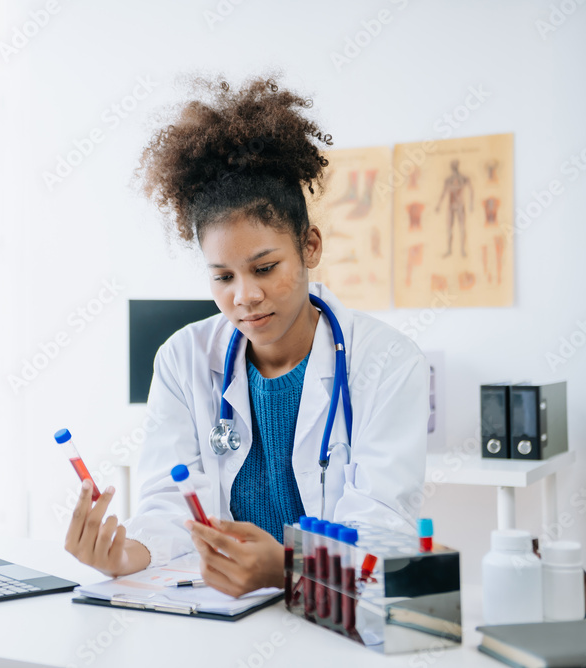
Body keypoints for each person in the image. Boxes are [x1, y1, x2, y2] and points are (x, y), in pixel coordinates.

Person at [64, 75, 428, 597]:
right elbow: (169, 505)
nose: (245, 296)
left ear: (310, 246)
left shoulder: (388, 362)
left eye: (265, 267)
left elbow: (382, 530)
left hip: (332, 612)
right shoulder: (183, 359)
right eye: (223, 276)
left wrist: (286, 568)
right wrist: (125, 554)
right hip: (223, 613)